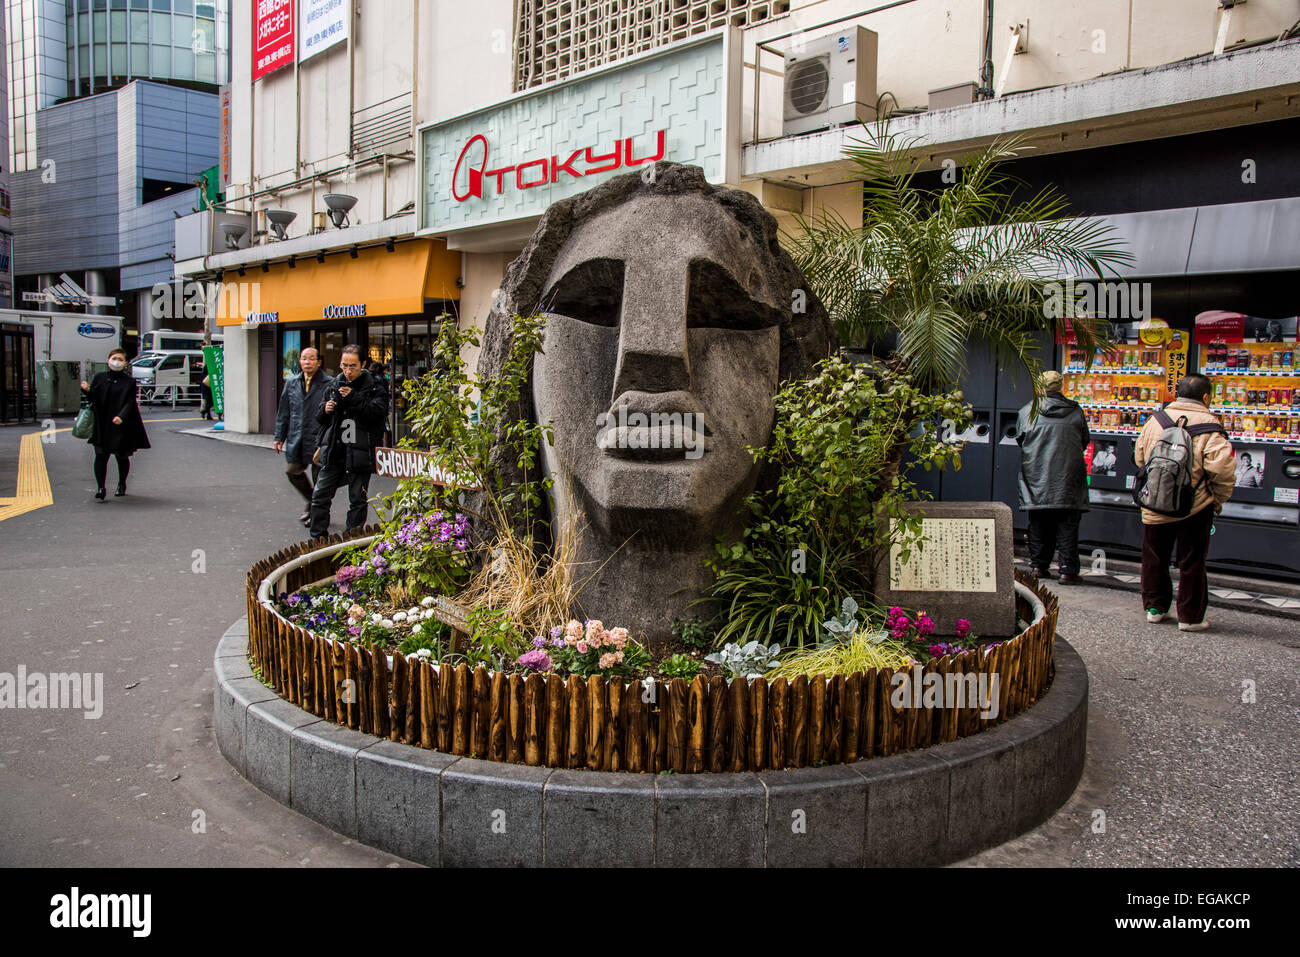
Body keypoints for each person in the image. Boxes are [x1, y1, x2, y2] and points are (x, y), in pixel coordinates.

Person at [1134, 374, 1235, 632]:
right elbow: (1222, 470)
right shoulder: (1211, 426)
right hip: (1195, 506)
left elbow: (1140, 457)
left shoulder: (1156, 420)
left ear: (1176, 394)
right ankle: (1190, 617)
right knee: (1191, 561)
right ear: (1205, 397)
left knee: (1154, 555)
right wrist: (1217, 500)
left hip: (1155, 502)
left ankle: (1155, 608)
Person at [1015, 370, 1090, 584]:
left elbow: (1021, 440)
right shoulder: (1076, 411)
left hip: (1037, 474)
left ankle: (1039, 566)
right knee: (1067, 524)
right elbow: (1084, 440)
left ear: (1039, 388)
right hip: (1068, 476)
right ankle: (1067, 571)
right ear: (1061, 387)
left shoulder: (1026, 411)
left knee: (1038, 521)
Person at [307, 345, 388, 539]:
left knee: (358, 500)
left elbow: (377, 414)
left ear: (363, 364)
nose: (348, 371)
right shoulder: (335, 384)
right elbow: (319, 418)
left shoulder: (374, 386)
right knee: (320, 496)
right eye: (344, 366)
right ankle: (317, 540)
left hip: (360, 452)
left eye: (353, 366)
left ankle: (352, 543)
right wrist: (325, 409)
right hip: (335, 449)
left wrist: (354, 398)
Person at [80, 348, 151, 501]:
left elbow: (130, 402)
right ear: (108, 360)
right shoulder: (99, 378)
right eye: (114, 358)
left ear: (125, 363)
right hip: (102, 423)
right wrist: (86, 390)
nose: (116, 361)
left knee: (121, 456)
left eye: (120, 359)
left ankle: (121, 484)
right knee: (100, 455)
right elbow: (93, 398)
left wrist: (121, 416)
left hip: (121, 425)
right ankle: (101, 487)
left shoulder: (129, 382)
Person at [274, 346, 329, 526]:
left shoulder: (328, 383)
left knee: (319, 478)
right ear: (300, 362)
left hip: (318, 437)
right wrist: (279, 436)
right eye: (304, 358)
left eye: (311, 358)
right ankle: (312, 503)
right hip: (297, 435)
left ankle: (318, 516)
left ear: (318, 362)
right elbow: (284, 411)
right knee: (292, 470)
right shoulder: (291, 382)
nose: (307, 362)